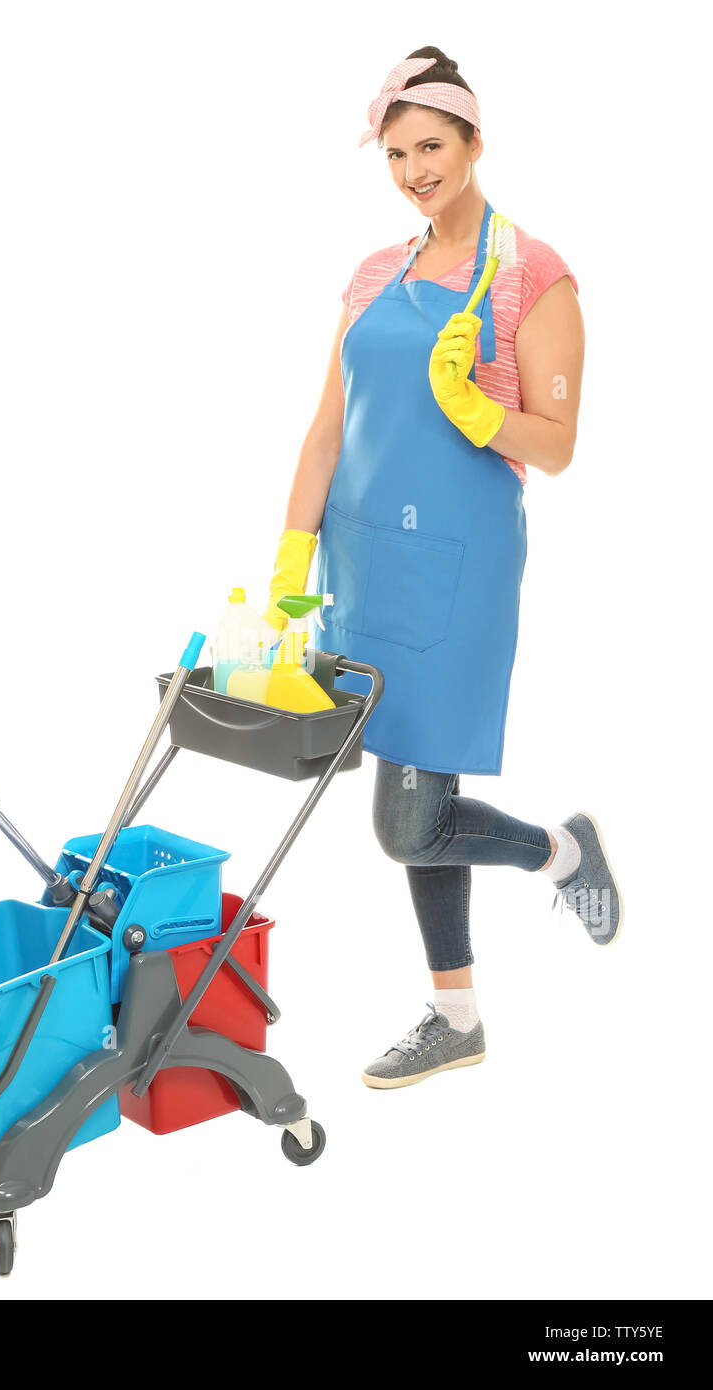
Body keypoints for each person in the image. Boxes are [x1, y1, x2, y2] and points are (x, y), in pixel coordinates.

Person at [263, 45, 622, 1090]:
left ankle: (563, 853)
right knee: (416, 799)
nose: (414, 169)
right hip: (363, 563)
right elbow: (326, 428)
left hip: (457, 566)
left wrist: (481, 410)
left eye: (431, 147)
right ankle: (455, 1014)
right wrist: (292, 560)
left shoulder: (532, 276)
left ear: (473, 144)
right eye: (395, 152)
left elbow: (555, 443)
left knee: (407, 820)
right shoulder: (374, 275)